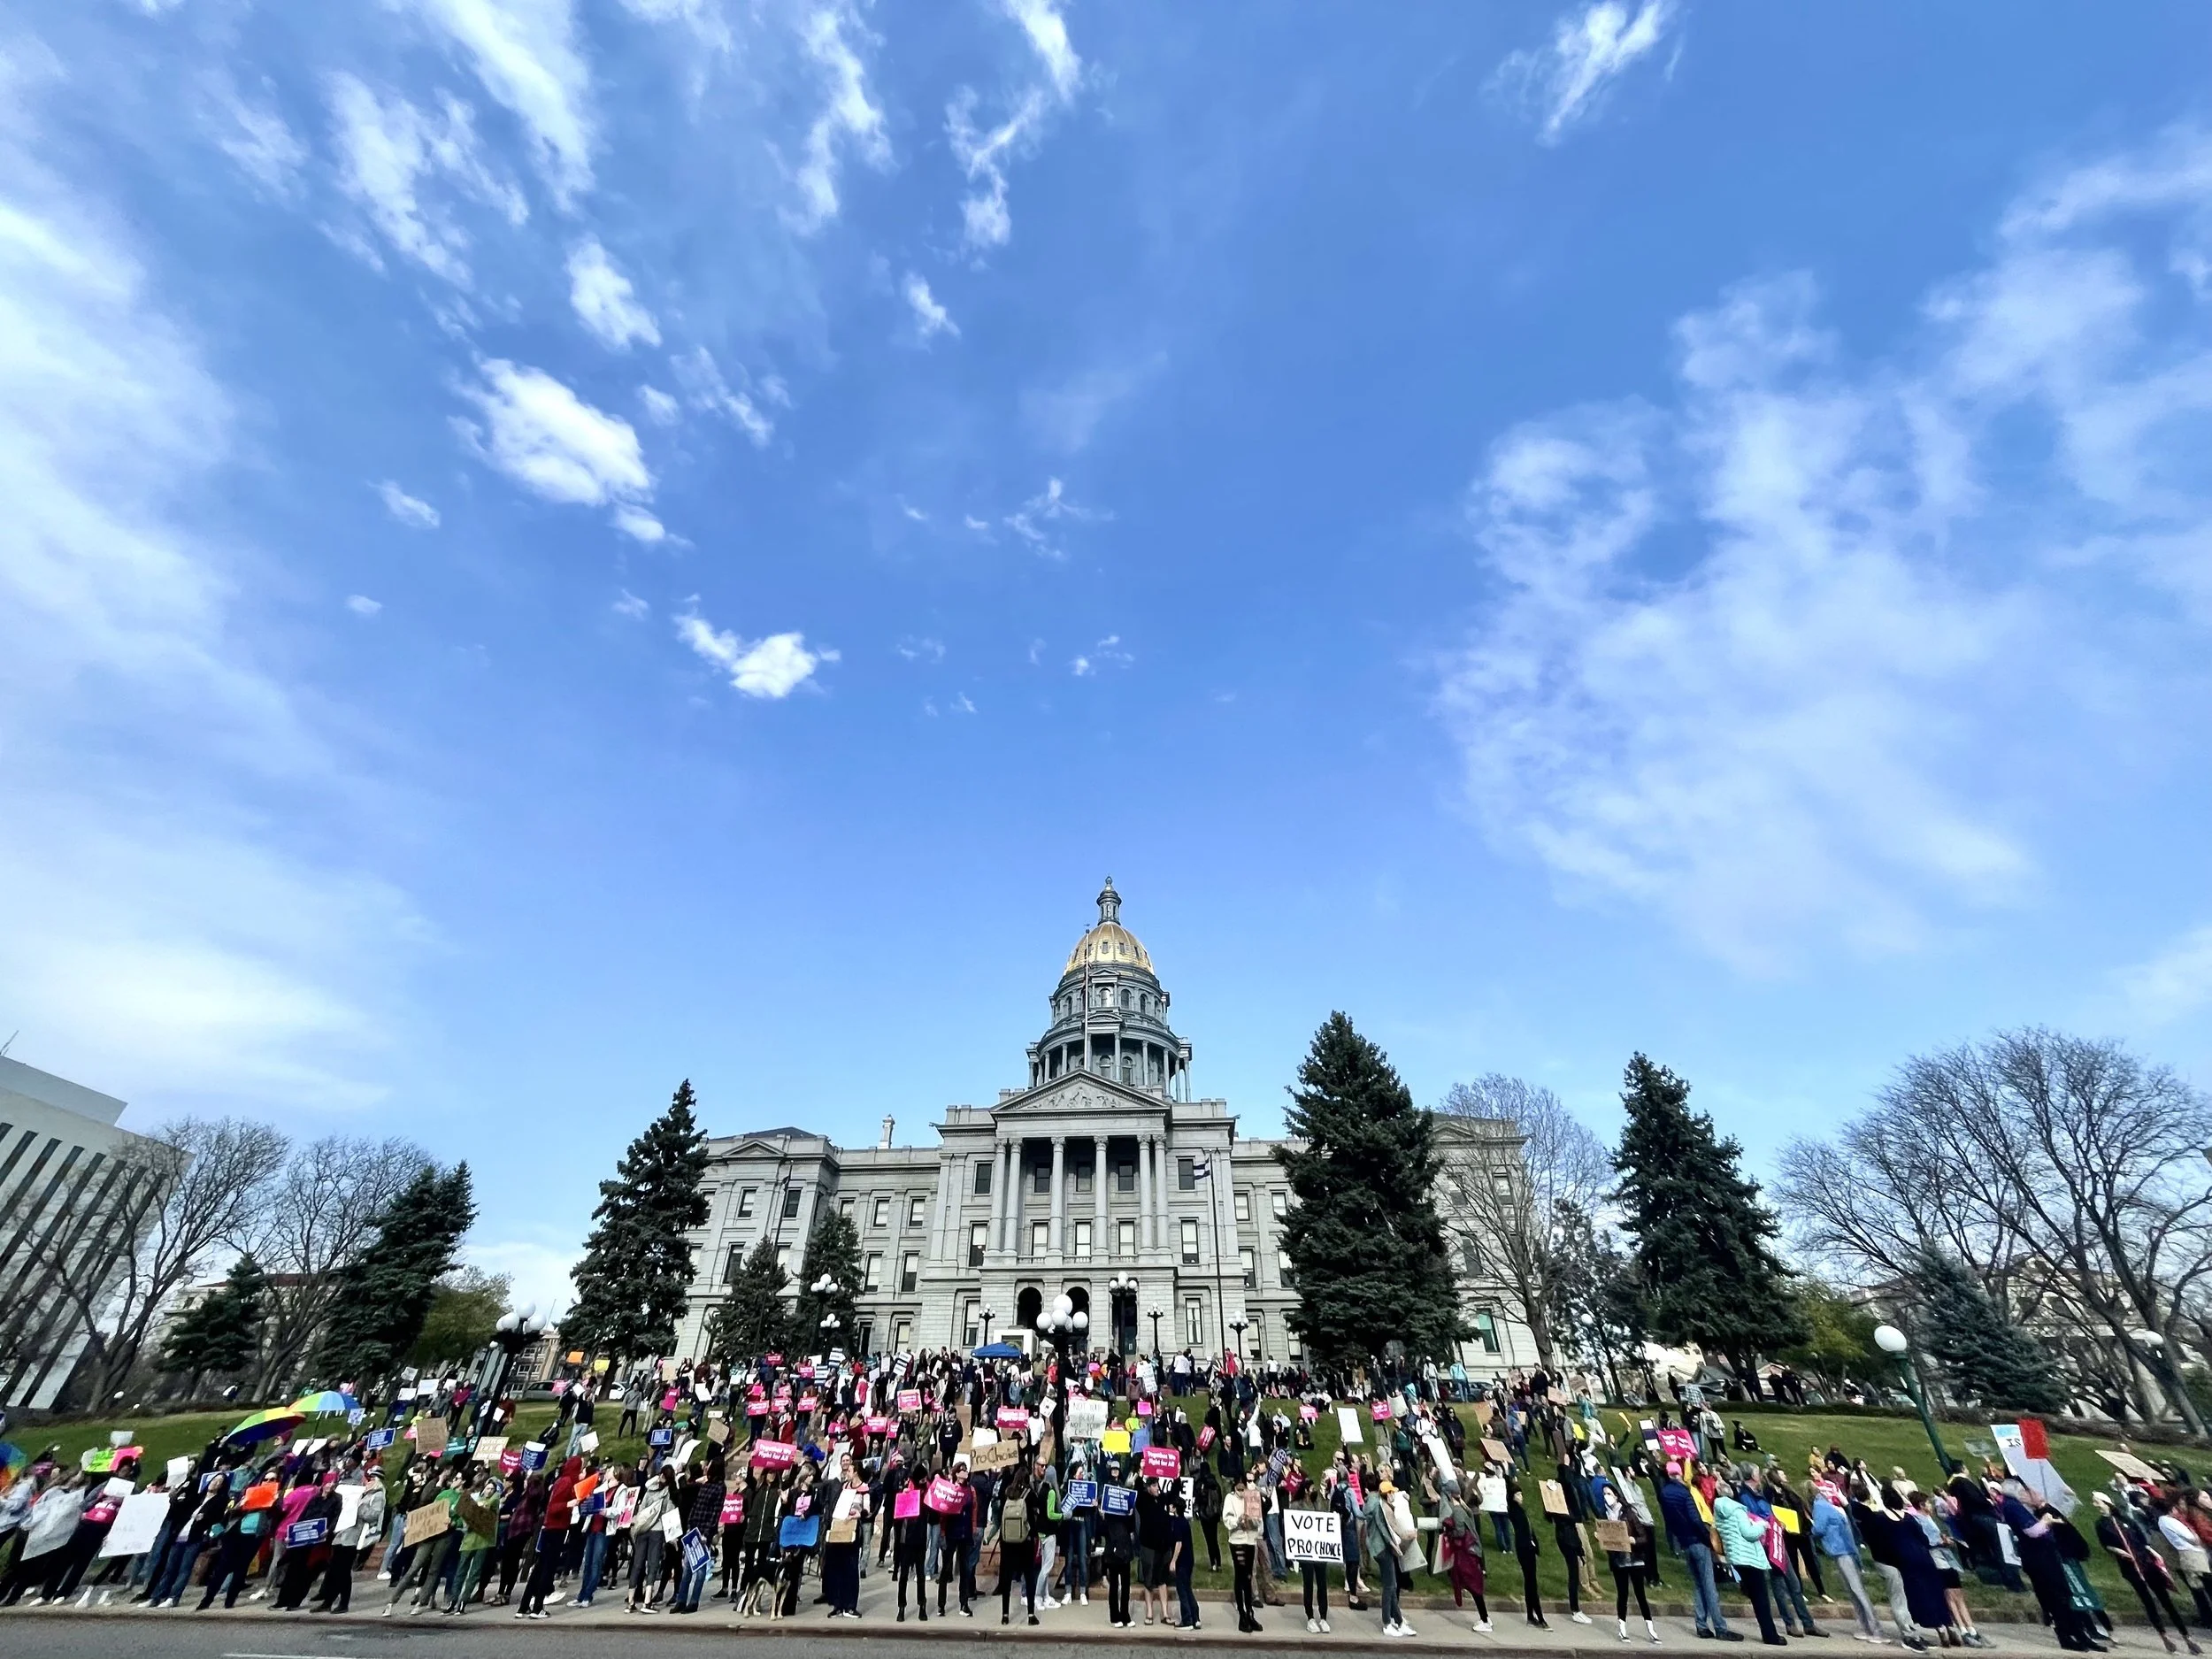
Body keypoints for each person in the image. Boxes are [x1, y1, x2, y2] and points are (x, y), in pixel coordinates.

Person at [2096, 1492, 2200, 1655]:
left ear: (2106, 1503)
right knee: (2148, 1600)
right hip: (2130, 1566)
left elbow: (2142, 1539)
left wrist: (2154, 1553)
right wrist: (2120, 1552)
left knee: (2165, 1599)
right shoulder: (2101, 1524)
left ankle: (2186, 1636)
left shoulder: (2125, 1520)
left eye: (2098, 1502)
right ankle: (2163, 1635)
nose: (2096, 1505)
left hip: (2145, 1562)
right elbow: (2106, 1544)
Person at [1662, 1461, 1738, 1641]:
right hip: (1697, 1541)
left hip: (1684, 1542)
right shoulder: (1684, 1493)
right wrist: (1707, 1539)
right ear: (1679, 1474)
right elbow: (1695, 1519)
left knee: (1698, 1585)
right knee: (1709, 1586)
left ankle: (1701, 1625)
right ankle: (1720, 1627)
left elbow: (1670, 1522)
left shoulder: (1664, 1494)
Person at [1716, 1467, 1787, 1647]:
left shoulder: (1719, 1511)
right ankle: (1770, 1635)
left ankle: (1768, 1633)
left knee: (1756, 1597)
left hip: (1736, 1556)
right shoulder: (1737, 1510)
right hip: (1749, 1556)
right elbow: (1748, 1533)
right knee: (1761, 1598)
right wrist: (1762, 1525)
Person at [1810, 1483, 1885, 1644]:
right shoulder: (1830, 1506)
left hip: (1841, 1551)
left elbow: (1819, 1529)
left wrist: (1809, 1527)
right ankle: (1867, 1628)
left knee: (1857, 1591)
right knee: (1854, 1591)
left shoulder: (1819, 1506)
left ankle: (1875, 1630)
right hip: (1846, 1550)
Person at [1604, 1484, 1661, 1644]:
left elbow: (1643, 1536)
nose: (1606, 1497)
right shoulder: (1606, 1515)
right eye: (1604, 1494)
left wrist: (1634, 1540)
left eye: (1609, 1493)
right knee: (1622, 1594)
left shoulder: (1628, 1513)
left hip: (1635, 1558)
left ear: (1616, 1495)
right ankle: (1622, 1629)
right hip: (1618, 1560)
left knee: (1640, 1595)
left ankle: (1651, 1629)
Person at [995, 1464, 1040, 1625]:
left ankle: (1005, 1615)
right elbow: (1035, 1516)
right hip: (1024, 1541)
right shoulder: (1030, 1495)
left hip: (1007, 1542)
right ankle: (1030, 1615)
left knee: (1007, 1579)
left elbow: (999, 1515)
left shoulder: (1007, 1493)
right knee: (1029, 1577)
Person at [1226, 1471, 1264, 1633]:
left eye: (1243, 1489)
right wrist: (1237, 1521)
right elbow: (1227, 1519)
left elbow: (1259, 1521)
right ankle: (1242, 1613)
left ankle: (1250, 1612)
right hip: (1237, 1541)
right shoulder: (1230, 1498)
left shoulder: (1252, 1498)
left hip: (1250, 1541)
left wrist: (1251, 1520)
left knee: (1249, 1576)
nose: (1241, 1492)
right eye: (1239, 1489)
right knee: (1240, 1575)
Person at [1509, 1482, 1549, 1629]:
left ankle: (1531, 1616)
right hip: (1524, 1549)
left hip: (1529, 1548)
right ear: (1512, 1497)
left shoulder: (1520, 1510)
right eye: (1518, 1494)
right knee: (1531, 1583)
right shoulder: (1513, 1510)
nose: (1521, 1497)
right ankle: (1539, 1616)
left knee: (1530, 1582)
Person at [1169, 1489, 1201, 1630]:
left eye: (1171, 1505)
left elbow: (1178, 1543)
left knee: (1182, 1590)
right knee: (1188, 1589)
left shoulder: (1177, 1523)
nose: (1169, 1507)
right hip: (1189, 1560)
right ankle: (1196, 1618)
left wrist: (1173, 1561)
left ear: (1175, 1508)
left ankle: (1187, 1620)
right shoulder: (1185, 1522)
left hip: (1182, 1561)